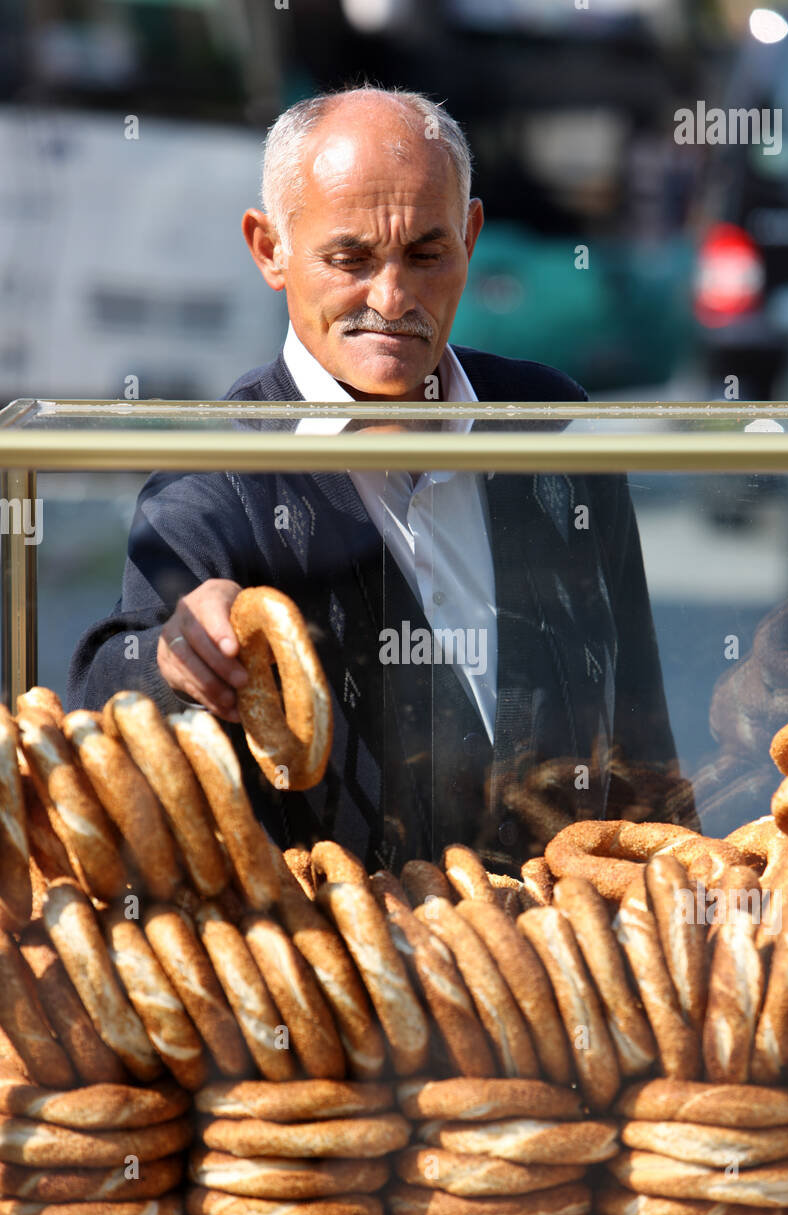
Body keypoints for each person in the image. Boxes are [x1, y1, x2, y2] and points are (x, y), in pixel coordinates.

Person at [68, 85, 691, 875]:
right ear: (270, 249)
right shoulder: (217, 473)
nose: (392, 300)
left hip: (567, 969)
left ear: (470, 237)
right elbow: (101, 703)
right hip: (339, 980)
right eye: (350, 259)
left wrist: (685, 908)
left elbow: (639, 721)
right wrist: (175, 655)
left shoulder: (547, 424)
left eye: (426, 255)